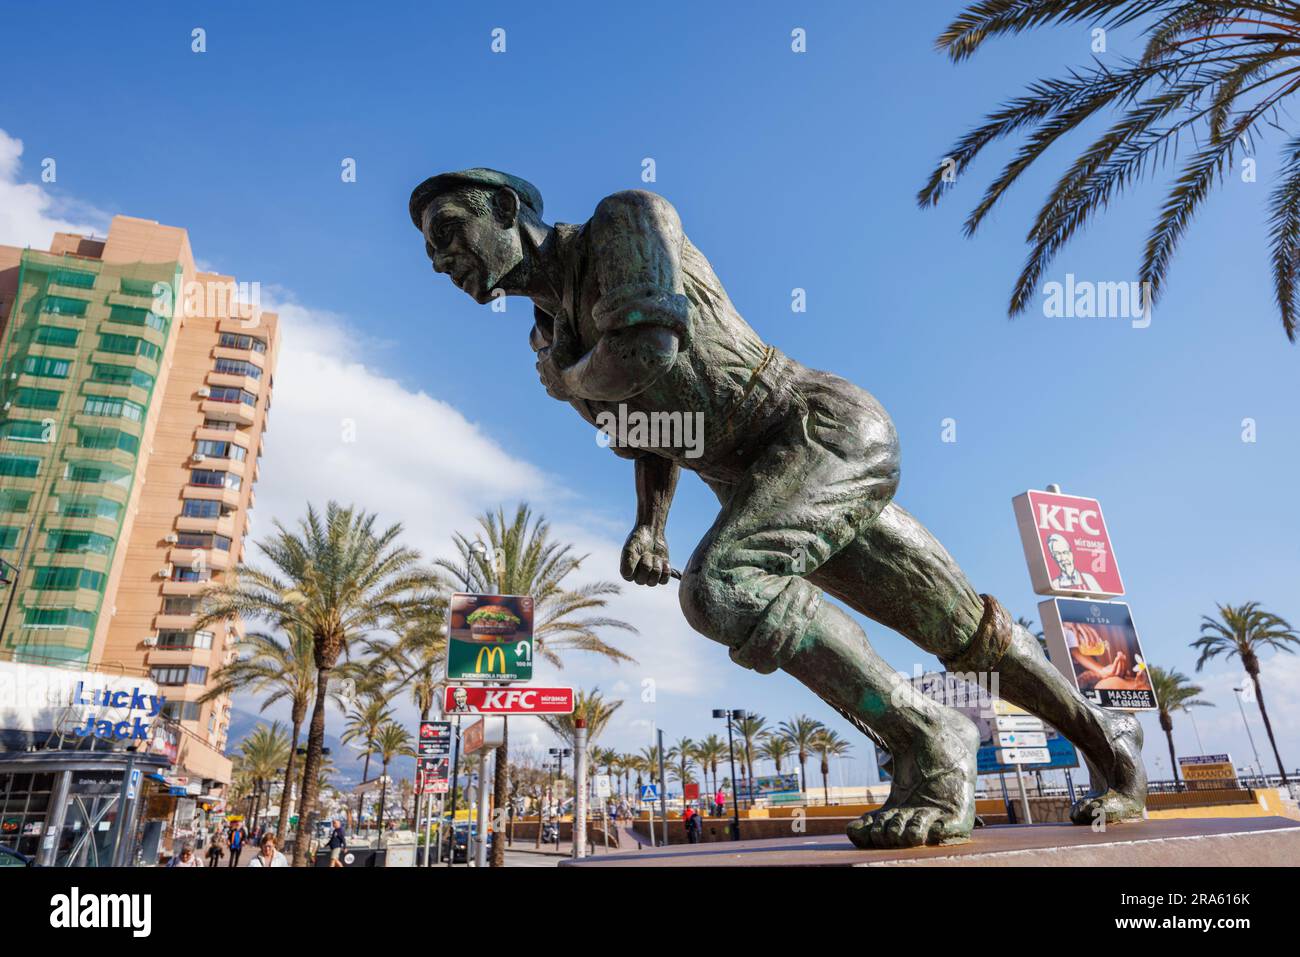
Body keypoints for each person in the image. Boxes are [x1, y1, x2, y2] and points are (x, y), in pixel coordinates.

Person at [408, 168, 1148, 848]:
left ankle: (931, 740)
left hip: (812, 431)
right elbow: (647, 426)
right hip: (753, 478)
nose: (441, 261)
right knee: (955, 624)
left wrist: (571, 383)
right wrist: (651, 523)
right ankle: (1112, 743)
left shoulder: (622, 222)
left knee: (721, 588)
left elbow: (648, 347)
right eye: (430, 251)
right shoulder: (552, 337)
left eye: (447, 232)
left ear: (505, 208)